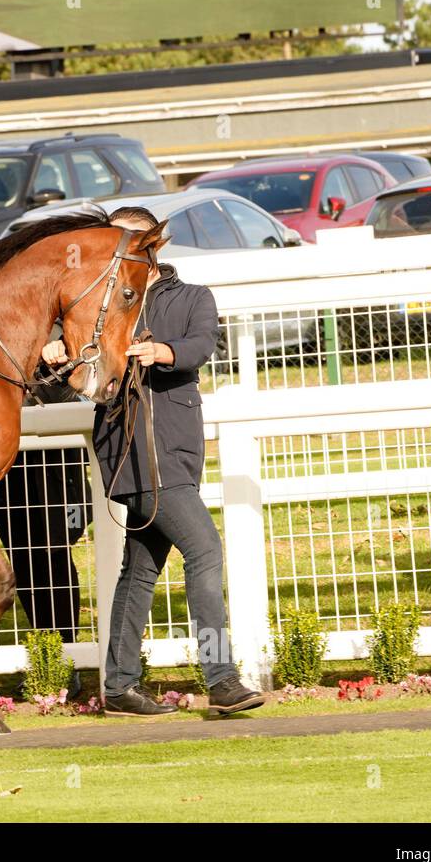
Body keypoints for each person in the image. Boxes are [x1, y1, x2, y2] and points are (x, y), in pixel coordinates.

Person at [42, 206, 267, 716]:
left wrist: (161, 351)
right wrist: (54, 351)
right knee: (205, 552)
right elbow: (67, 366)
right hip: (134, 453)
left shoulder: (191, 298)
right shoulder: (97, 302)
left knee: (139, 571)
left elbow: (200, 344)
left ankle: (119, 685)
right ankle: (222, 678)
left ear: (153, 246)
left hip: (174, 452)